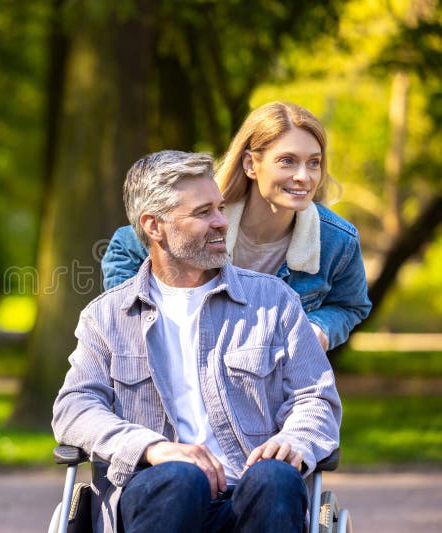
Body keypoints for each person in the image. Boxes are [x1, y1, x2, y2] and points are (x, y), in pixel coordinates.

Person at [52, 150, 342, 533]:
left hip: (250, 496)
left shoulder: (274, 302)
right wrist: (152, 449)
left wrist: (296, 440)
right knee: (180, 478)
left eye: (220, 208)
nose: (223, 222)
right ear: (155, 226)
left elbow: (315, 396)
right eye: (204, 213)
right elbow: (74, 407)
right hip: (154, 496)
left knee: (275, 478)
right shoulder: (106, 317)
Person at [100, 102, 371, 351]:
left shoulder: (338, 240)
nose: (304, 176)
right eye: (287, 161)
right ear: (251, 164)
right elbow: (125, 247)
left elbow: (350, 306)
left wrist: (319, 329)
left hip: (272, 389)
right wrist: (141, 326)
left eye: (313, 162)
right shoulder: (201, 220)